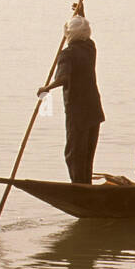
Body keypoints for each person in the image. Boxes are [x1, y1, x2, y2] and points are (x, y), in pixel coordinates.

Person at [37, 15, 104, 184]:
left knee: (74, 152)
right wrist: (81, 12)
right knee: (87, 152)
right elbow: (84, 33)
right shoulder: (90, 48)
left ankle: (79, 185)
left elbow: (64, 79)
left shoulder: (67, 54)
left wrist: (46, 89)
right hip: (94, 108)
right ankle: (85, 183)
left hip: (78, 110)